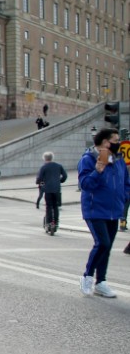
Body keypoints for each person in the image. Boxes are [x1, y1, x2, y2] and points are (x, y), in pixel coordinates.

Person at [77, 128, 129, 299]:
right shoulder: (89, 159)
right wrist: (97, 170)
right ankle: (87, 276)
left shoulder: (119, 160)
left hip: (114, 210)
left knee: (107, 247)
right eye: (115, 139)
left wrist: (124, 197)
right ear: (106, 142)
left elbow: (126, 182)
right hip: (95, 209)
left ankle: (101, 282)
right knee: (103, 243)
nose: (118, 142)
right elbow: (85, 184)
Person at [36, 152, 67, 232]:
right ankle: (56, 223)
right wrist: (59, 181)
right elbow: (65, 176)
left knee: (48, 206)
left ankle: (49, 223)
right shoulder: (58, 166)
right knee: (55, 207)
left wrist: (40, 183)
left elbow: (39, 178)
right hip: (57, 189)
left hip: (48, 190)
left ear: (44, 158)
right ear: (52, 158)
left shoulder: (44, 167)